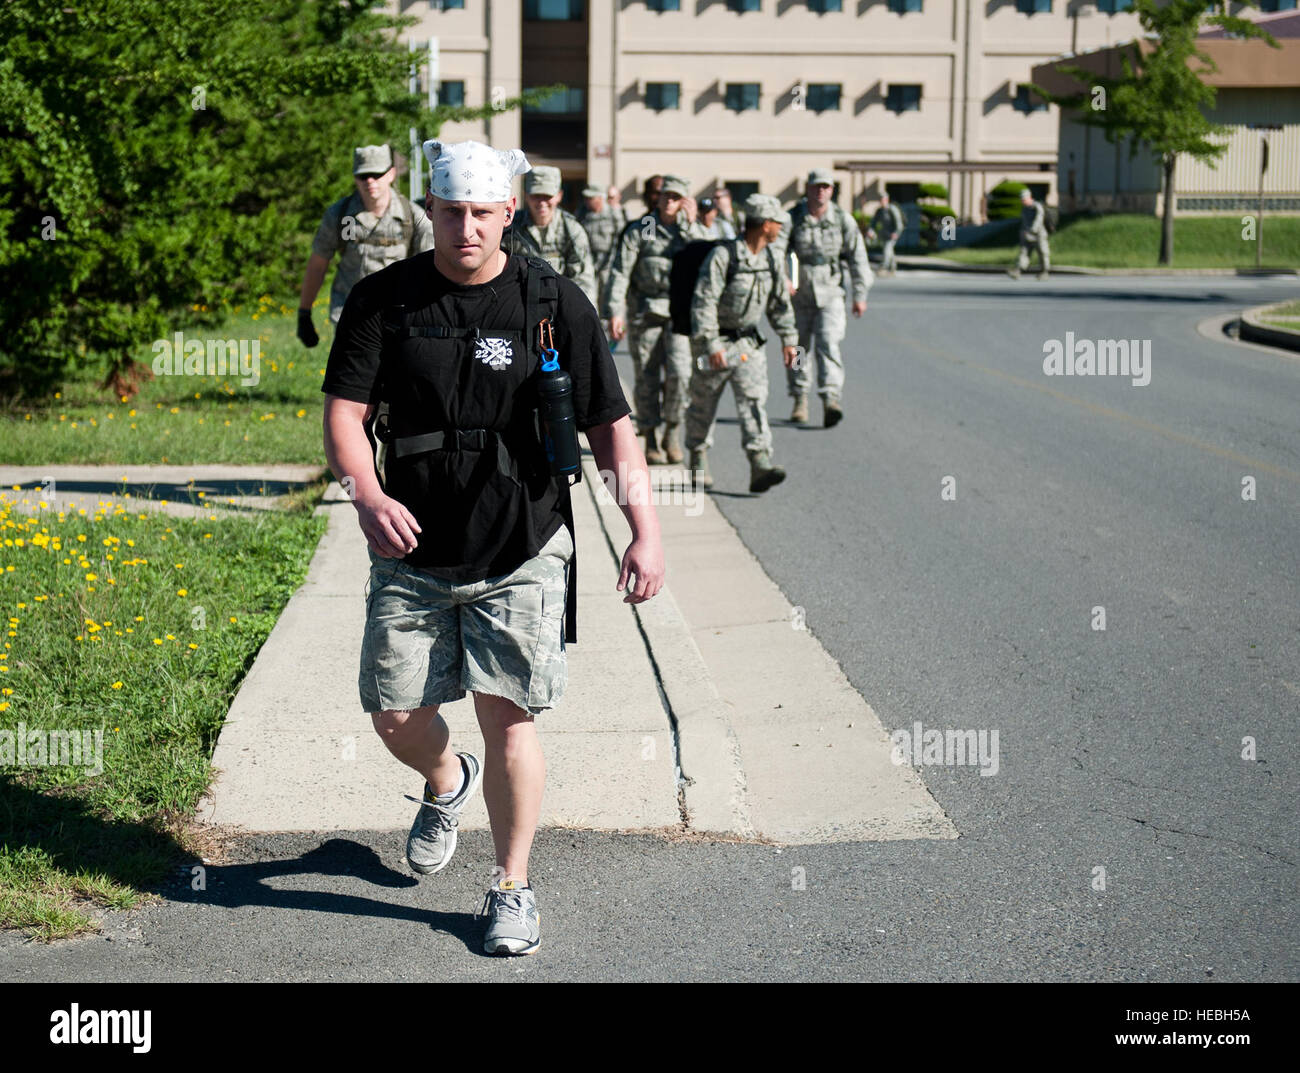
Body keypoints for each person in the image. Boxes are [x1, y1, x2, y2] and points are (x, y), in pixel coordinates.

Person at [320, 138, 664, 957]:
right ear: (430, 211)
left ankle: (511, 885)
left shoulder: (553, 302)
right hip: (411, 544)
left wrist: (645, 530)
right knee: (394, 713)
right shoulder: (383, 300)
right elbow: (344, 415)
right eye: (451, 212)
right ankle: (447, 780)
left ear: (510, 211)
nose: (466, 228)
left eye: (482, 212)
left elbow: (612, 428)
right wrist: (367, 495)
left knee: (508, 717)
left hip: (522, 542)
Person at [685, 194, 800, 494]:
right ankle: (697, 456)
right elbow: (704, 302)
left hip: (748, 344)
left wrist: (789, 339)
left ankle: (759, 462)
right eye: (777, 223)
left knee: (754, 401)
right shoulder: (724, 256)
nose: (781, 229)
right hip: (716, 343)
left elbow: (779, 304)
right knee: (703, 406)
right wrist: (712, 345)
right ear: (765, 225)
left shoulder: (772, 258)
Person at [603, 174, 703, 466]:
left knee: (680, 374)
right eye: (666, 196)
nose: (669, 202)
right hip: (645, 312)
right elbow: (621, 271)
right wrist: (615, 311)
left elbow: (707, 262)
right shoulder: (644, 228)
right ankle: (649, 436)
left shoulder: (692, 230)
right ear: (658, 198)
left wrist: (692, 224)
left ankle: (672, 430)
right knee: (646, 378)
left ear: (684, 201)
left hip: (680, 315)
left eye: (676, 197)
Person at [298, 144, 434, 348]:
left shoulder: (414, 217)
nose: (370, 181)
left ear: (391, 174)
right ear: (355, 178)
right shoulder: (339, 216)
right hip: (350, 317)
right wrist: (304, 312)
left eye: (377, 174)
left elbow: (431, 271)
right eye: (363, 176)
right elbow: (318, 264)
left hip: (398, 319)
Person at [784, 168, 871, 428]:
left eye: (825, 187)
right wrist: (783, 278)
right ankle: (800, 396)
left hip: (830, 292)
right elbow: (776, 251)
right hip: (799, 293)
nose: (820, 191)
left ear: (832, 190)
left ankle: (830, 398)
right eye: (816, 186)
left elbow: (858, 258)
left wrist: (860, 294)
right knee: (799, 348)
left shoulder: (842, 220)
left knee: (828, 343)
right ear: (807, 188)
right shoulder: (793, 218)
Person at [505, 165, 598, 308]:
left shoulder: (571, 230)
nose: (542, 202)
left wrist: (581, 314)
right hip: (517, 306)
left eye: (547, 196)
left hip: (559, 307)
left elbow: (583, 280)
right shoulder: (510, 227)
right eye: (536, 196)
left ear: (559, 196)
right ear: (526, 195)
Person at [577, 183, 627, 305]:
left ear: (600, 198)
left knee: (607, 296)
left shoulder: (614, 213)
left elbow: (620, 238)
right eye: (586, 198)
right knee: (588, 295)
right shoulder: (581, 213)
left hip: (609, 261)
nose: (587, 201)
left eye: (591, 198)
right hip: (589, 260)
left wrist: (614, 260)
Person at [1008, 188, 1050, 280]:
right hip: (1027, 235)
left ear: (1029, 197)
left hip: (1039, 235)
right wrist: (1023, 232)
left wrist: (1032, 230)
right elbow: (1024, 222)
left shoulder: (1037, 207)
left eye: (1024, 199)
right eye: (1021, 200)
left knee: (1043, 253)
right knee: (1024, 253)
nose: (1023, 201)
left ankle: (1044, 272)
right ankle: (1018, 271)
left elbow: (1039, 219)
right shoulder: (1024, 209)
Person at [867, 193, 904, 277]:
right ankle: (892, 269)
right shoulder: (879, 211)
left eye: (883, 200)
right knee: (889, 251)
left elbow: (899, 223)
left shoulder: (892, 210)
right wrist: (871, 230)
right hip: (884, 234)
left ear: (887, 200)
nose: (881, 202)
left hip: (892, 235)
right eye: (880, 200)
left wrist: (896, 232)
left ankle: (883, 268)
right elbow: (874, 222)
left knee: (887, 250)